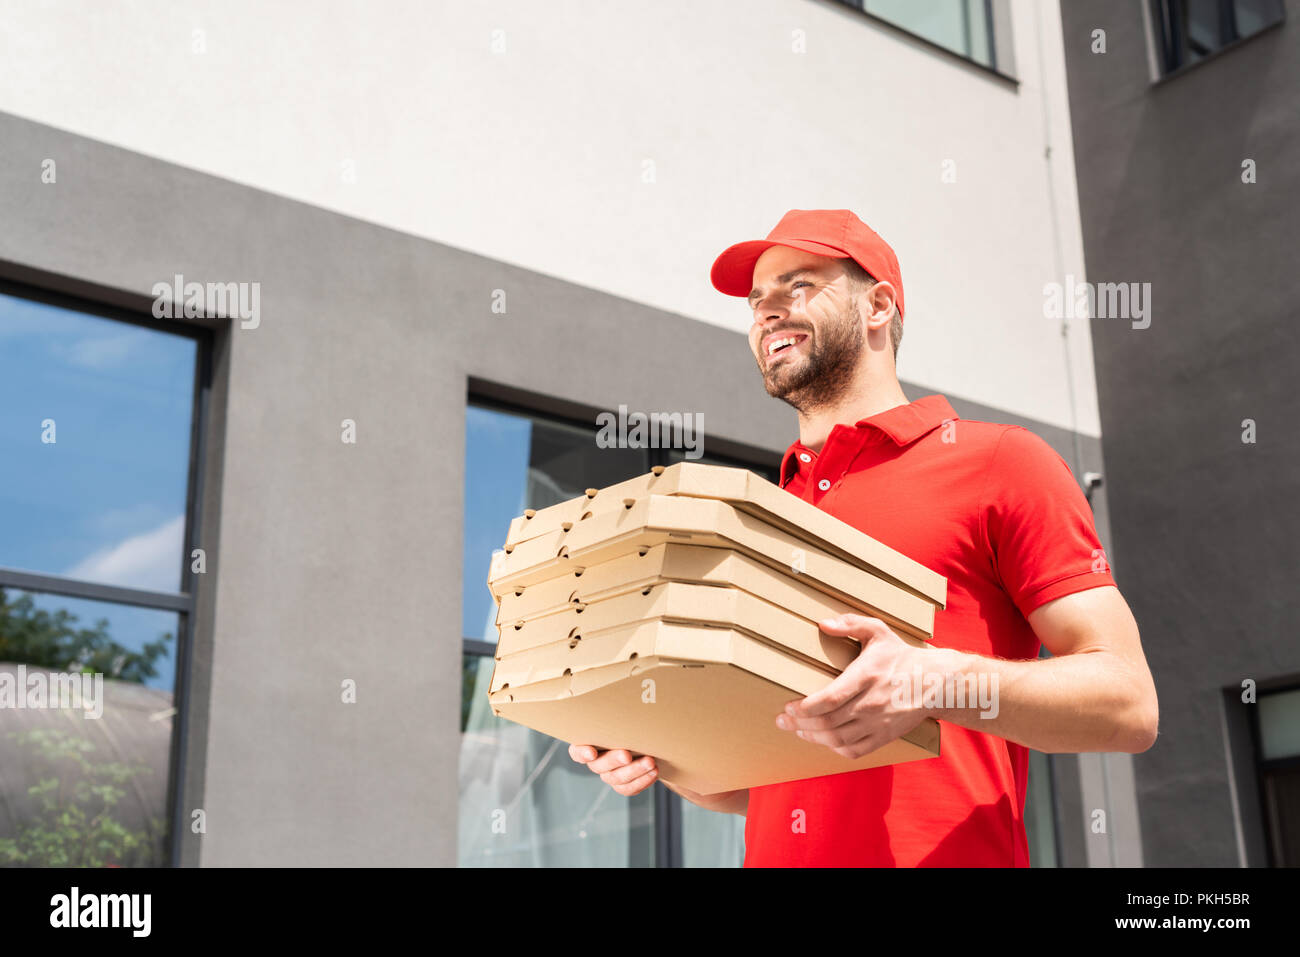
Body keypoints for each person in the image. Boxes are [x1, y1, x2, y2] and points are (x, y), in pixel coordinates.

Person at [568, 208, 1158, 866]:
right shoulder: (768, 515)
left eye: (797, 286)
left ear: (878, 305)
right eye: (757, 300)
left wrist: (933, 680)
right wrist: (656, 751)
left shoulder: (999, 463)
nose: (767, 311)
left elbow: (1129, 702)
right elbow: (762, 779)